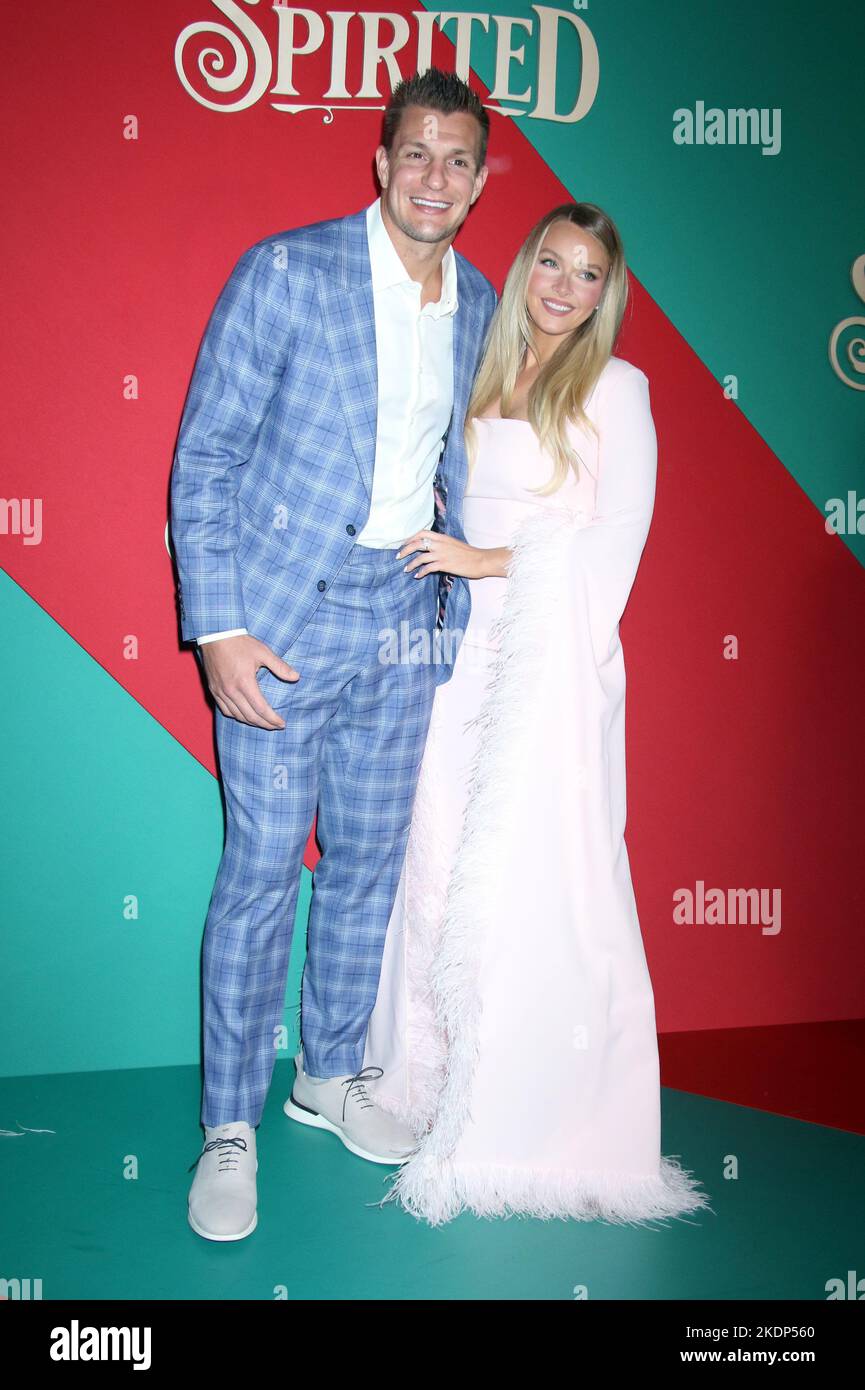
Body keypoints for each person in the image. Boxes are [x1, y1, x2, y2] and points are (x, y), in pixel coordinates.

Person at [169, 68, 497, 1241]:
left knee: (365, 869)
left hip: (400, 624)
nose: (435, 178)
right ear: (380, 161)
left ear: (478, 180)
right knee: (260, 873)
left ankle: (328, 1077)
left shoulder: (484, 301)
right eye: (416, 153)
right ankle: (227, 1127)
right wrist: (217, 628)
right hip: (281, 625)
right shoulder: (287, 270)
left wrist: (456, 599)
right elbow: (205, 458)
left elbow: (477, 464)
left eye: (458, 160)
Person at [363, 202, 713, 1227]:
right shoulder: (477, 372)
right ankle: (420, 1084)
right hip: (455, 658)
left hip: (548, 667)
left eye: (589, 273)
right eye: (551, 263)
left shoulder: (617, 388)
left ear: (609, 292)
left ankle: (534, 1116)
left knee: (542, 869)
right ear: (523, 270)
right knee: (432, 856)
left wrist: (489, 559)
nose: (564, 285)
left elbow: (613, 547)